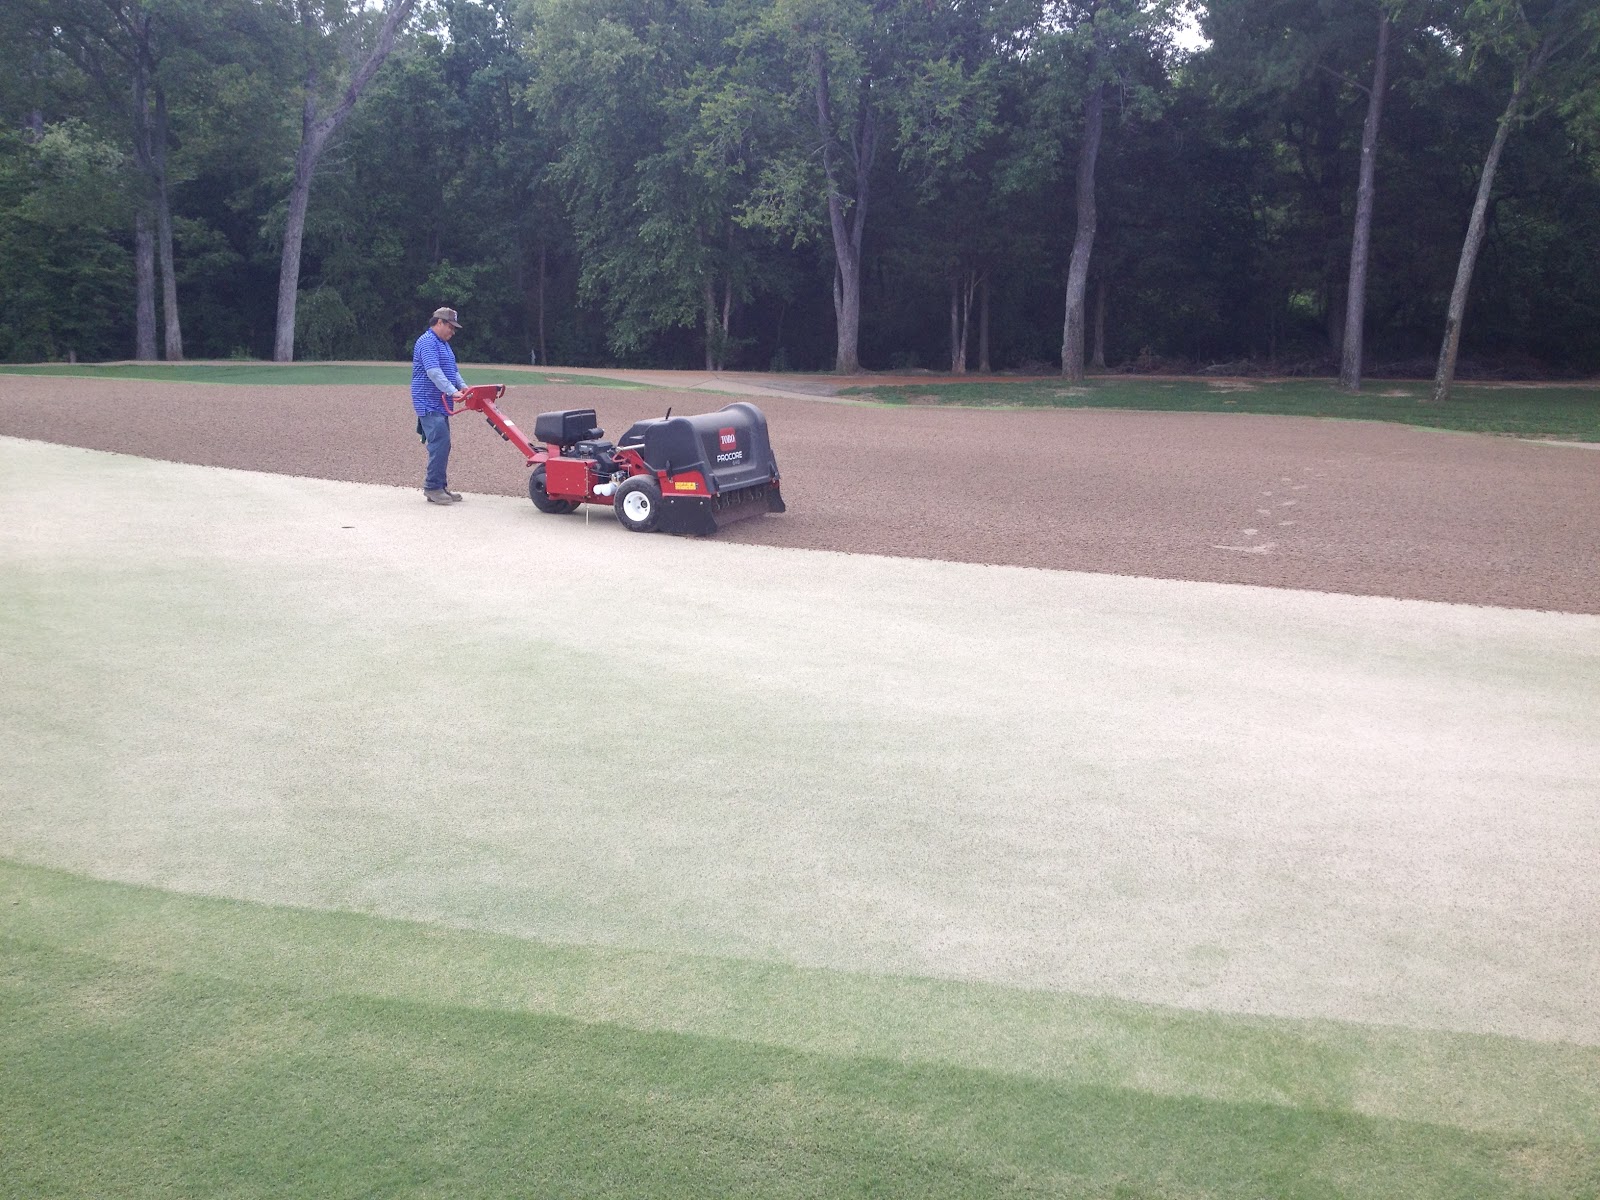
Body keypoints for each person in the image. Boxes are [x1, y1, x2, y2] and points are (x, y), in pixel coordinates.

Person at [412, 306, 470, 504]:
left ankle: (440, 486)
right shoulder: (427, 342)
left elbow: (452, 371)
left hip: (440, 402)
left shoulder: (443, 344)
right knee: (440, 442)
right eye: (450, 327)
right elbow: (434, 372)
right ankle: (432, 487)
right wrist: (452, 391)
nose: (452, 332)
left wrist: (464, 388)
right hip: (427, 402)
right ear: (439, 322)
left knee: (444, 444)